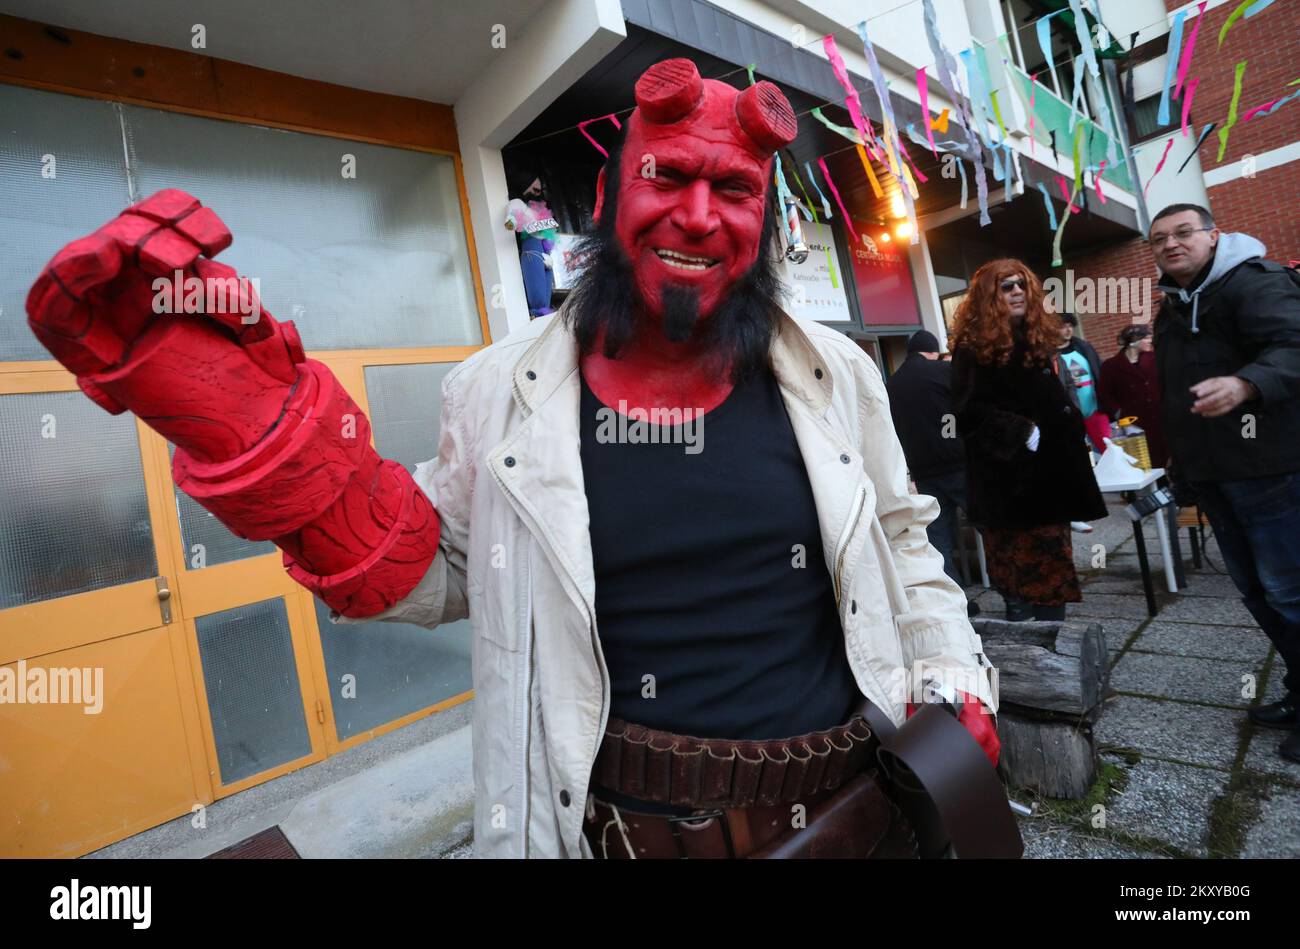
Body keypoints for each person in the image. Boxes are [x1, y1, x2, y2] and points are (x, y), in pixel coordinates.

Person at [26, 58, 1004, 857]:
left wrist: (952, 673)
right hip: (613, 835)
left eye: (734, 189)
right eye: (669, 177)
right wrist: (271, 443)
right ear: (617, 195)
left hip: (852, 821)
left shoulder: (832, 369)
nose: (699, 215)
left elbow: (899, 535)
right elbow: (441, 573)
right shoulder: (495, 389)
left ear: (762, 218)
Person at [1149, 202, 1300, 764]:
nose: (1170, 244)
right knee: (1260, 596)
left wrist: (1246, 385)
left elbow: (1293, 347)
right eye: (1159, 238)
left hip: (1273, 469)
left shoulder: (1253, 283)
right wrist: (1179, 466)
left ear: (1214, 236)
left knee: (1292, 593)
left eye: (1183, 233)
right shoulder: (1173, 307)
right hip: (1215, 475)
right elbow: (1174, 397)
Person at [950, 260, 1108, 622]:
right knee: (1021, 582)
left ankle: (1050, 662)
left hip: (1049, 484)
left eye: (1022, 284)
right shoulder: (972, 347)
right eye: (1006, 286)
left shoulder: (1036, 341)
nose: (1017, 291)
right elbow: (967, 412)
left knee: (1053, 582)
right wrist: (1021, 432)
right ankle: (1032, 664)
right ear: (990, 295)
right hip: (1011, 489)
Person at [885, 330, 975, 611]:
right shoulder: (942, 371)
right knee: (990, 526)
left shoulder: (892, 384)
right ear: (933, 351)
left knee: (938, 539)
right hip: (959, 463)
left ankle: (956, 601)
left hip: (924, 471)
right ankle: (1015, 599)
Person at [1098, 324, 1168, 468]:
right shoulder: (1110, 366)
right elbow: (1105, 394)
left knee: (1169, 457)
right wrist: (1119, 414)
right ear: (1134, 341)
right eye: (1147, 338)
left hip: (1161, 418)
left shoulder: (1155, 358)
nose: (1150, 341)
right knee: (1146, 464)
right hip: (1134, 424)